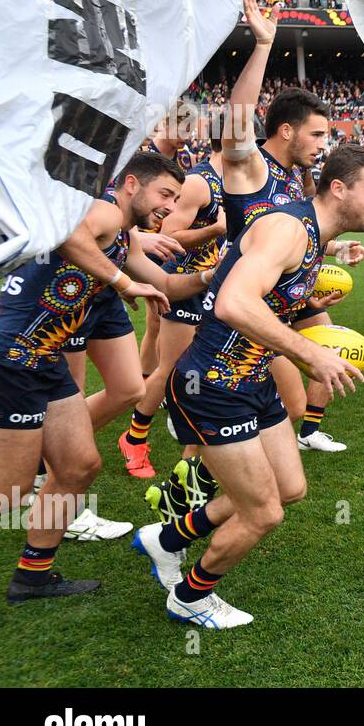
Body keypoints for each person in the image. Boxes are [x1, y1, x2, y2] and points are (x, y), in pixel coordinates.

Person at [131, 145, 364, 628]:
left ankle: (165, 540)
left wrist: (313, 288)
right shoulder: (288, 229)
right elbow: (232, 303)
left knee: (289, 489)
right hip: (211, 385)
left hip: (252, 381)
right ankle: (189, 596)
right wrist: (308, 351)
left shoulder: (312, 233)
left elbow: (269, 291)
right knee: (263, 512)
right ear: (339, 188)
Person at [0, 152, 208, 604]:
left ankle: (32, 578)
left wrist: (216, 273)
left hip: (43, 356)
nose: (170, 206)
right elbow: (70, 235)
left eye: (175, 197)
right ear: (132, 184)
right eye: (164, 194)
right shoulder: (105, 209)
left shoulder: (124, 233)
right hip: (14, 355)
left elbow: (168, 285)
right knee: (7, 494)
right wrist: (124, 284)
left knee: (78, 466)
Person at [219, 0, 364, 453]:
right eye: (318, 134)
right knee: (243, 397)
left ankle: (305, 433)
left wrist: (334, 250)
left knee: (330, 349)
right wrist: (263, 44)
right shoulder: (253, 168)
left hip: (284, 290)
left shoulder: (295, 179)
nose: (325, 143)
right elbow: (236, 125)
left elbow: (299, 236)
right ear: (286, 131)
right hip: (244, 295)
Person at [119, 134, 226, 478]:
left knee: (204, 365)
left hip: (211, 282)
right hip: (182, 283)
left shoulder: (238, 183)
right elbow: (169, 234)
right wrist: (217, 229)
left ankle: (193, 441)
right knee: (172, 366)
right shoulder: (199, 182)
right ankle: (134, 437)